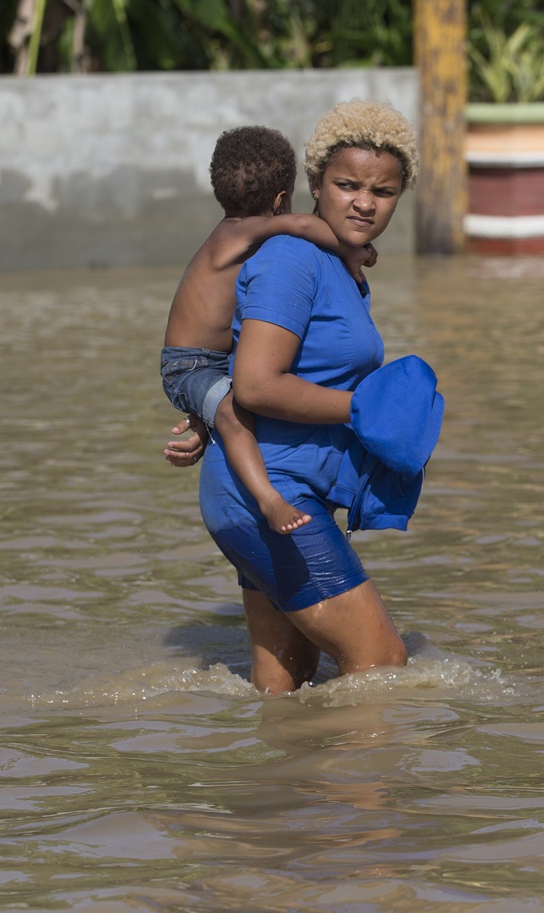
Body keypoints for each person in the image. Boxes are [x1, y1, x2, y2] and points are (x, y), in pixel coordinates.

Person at [196, 99, 430, 695]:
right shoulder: (291, 260)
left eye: (383, 191)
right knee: (381, 664)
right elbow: (255, 383)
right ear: (315, 183)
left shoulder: (338, 264)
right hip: (269, 497)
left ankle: (281, 789)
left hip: (276, 494)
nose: (364, 202)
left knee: (284, 692)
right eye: (347, 184)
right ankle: (372, 793)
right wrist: (361, 410)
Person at [160, 125, 376, 535]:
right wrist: (354, 250)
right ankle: (269, 498)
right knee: (231, 411)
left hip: (211, 362)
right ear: (280, 200)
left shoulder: (231, 236)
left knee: (227, 405)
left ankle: (206, 428)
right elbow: (303, 226)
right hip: (187, 366)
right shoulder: (241, 233)